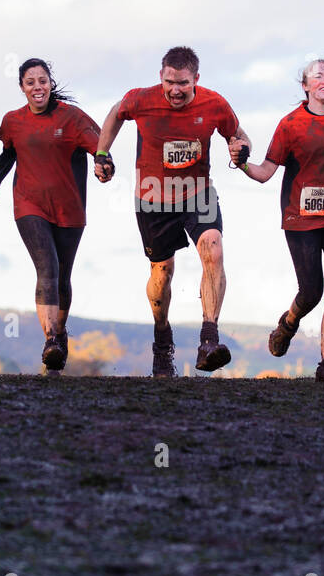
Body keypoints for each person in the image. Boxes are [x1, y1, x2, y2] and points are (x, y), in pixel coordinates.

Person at [94, 46, 251, 377]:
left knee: (214, 248)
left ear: (196, 79)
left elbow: (237, 135)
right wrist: (102, 154)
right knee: (161, 273)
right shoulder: (140, 99)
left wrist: (241, 149)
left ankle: (209, 339)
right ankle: (162, 340)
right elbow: (114, 114)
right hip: (153, 200)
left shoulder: (215, 104)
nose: (175, 90)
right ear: (160, 77)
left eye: (182, 83)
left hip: (198, 193)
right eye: (169, 82)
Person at [229, 56, 324, 382]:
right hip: (300, 218)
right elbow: (265, 172)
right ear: (306, 85)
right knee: (311, 291)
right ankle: (288, 323)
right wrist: (241, 163)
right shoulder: (290, 124)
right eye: (318, 75)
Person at [0, 59, 101, 372]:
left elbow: (100, 150)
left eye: (42, 81)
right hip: (29, 205)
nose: (37, 87)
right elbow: (9, 154)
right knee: (47, 268)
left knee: (63, 276)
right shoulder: (13, 120)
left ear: (50, 83)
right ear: (22, 87)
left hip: (70, 208)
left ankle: (60, 334)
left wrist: (105, 166)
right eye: (30, 82)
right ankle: (51, 339)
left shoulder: (73, 117)